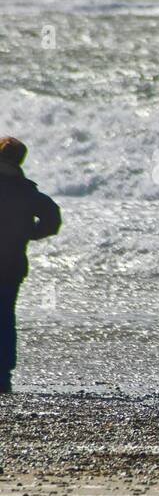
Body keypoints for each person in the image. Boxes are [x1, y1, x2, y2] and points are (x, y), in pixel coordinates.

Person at [0, 138, 62, 394]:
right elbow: (52, 220)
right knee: (4, 317)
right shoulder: (28, 192)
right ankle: (2, 374)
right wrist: (28, 233)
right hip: (12, 264)